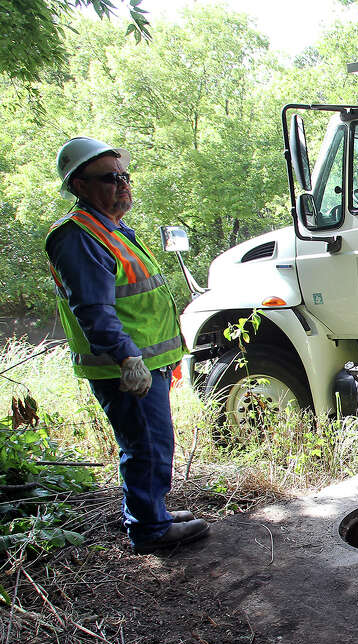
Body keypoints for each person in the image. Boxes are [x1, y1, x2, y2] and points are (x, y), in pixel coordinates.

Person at [45, 136, 209, 554]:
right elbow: (94, 308)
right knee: (146, 444)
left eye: (124, 176)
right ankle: (150, 527)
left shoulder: (112, 229)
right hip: (125, 367)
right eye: (109, 178)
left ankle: (150, 511)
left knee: (152, 441)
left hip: (143, 362)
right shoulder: (79, 236)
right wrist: (127, 357)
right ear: (80, 185)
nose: (122, 185)